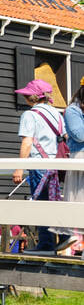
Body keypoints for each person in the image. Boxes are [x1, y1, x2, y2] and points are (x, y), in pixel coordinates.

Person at [12, 78, 68, 253]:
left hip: (39, 164)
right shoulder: (57, 114)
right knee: (53, 202)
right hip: (55, 164)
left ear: (32, 97)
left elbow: (27, 142)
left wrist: (19, 167)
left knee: (41, 204)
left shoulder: (30, 115)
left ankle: (46, 244)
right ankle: (64, 235)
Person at [63, 79, 84, 254]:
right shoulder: (73, 110)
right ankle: (78, 244)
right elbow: (79, 135)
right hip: (81, 159)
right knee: (80, 201)